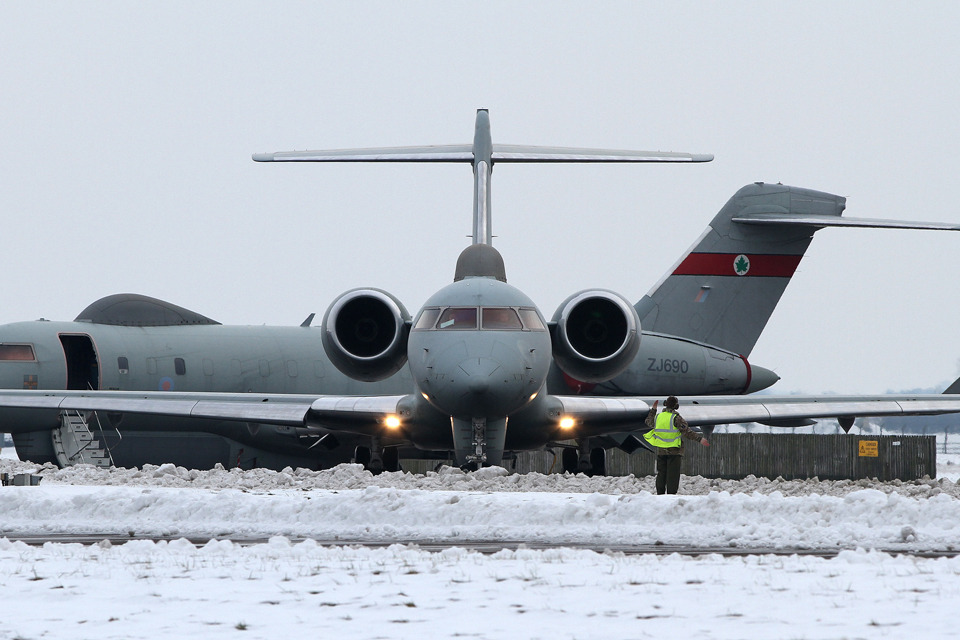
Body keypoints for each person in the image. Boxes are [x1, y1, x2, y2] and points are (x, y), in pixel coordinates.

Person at [643, 396, 709, 495]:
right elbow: (687, 432)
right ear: (676, 406)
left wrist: (653, 410)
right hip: (674, 451)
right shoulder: (676, 418)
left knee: (661, 474)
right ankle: (671, 495)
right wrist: (700, 439)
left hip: (661, 450)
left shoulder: (658, 417)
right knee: (672, 475)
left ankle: (659, 494)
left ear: (665, 404)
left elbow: (648, 422)